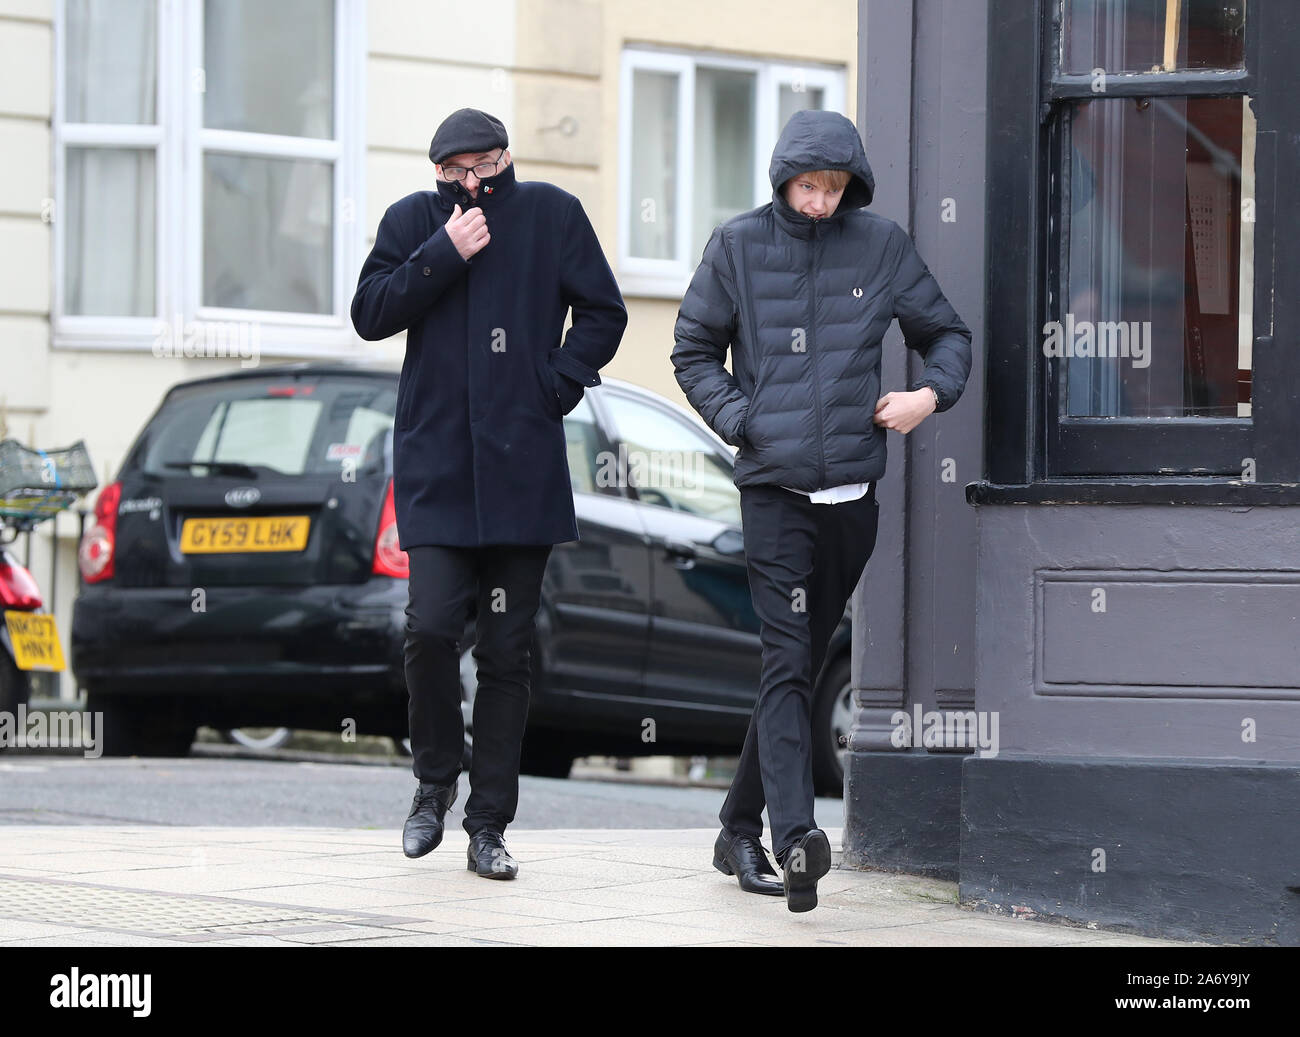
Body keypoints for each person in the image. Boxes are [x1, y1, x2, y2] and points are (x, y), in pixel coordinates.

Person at [671, 109, 972, 912]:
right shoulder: (736, 246)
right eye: (808, 186)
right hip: (774, 494)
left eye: (834, 188)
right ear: (782, 180)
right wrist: (743, 420)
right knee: (786, 660)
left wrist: (925, 397)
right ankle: (795, 837)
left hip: (852, 503)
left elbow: (947, 334)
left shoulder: (881, 245)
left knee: (796, 664)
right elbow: (692, 350)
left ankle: (736, 824)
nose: (819, 202)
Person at [351, 108, 627, 879]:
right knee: (430, 629)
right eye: (455, 172)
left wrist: (556, 384)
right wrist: (442, 253)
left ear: (508, 158)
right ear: (436, 172)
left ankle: (488, 825)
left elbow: (604, 311)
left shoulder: (549, 214)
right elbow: (370, 313)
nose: (473, 182)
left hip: (521, 471)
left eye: (485, 167)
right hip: (437, 467)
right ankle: (434, 779)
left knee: (507, 652)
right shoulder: (412, 222)